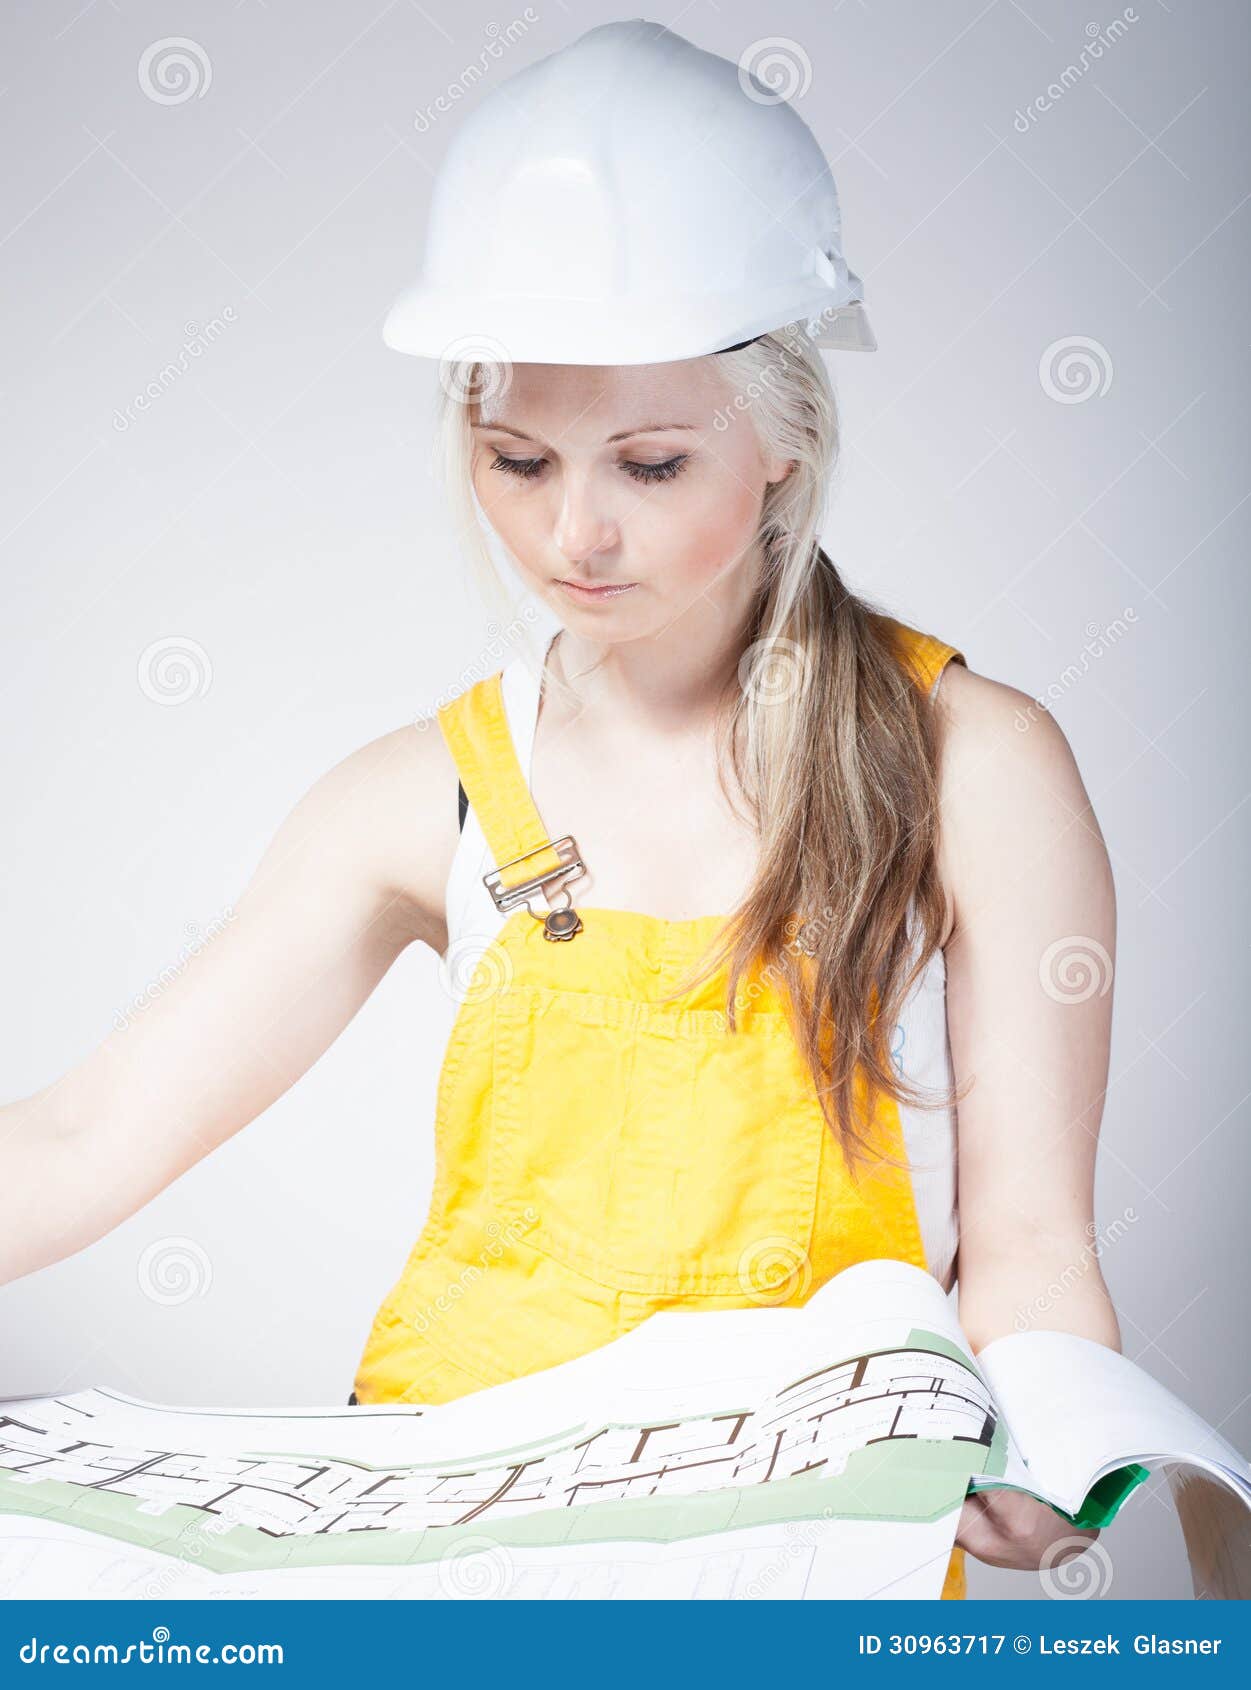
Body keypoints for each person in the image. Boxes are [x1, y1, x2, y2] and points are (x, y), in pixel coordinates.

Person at [0, 21, 1118, 1599]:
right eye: (517, 457)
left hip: (796, 1566)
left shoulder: (976, 768)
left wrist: (1060, 1441)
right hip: (449, 1570)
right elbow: (76, 1137)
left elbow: (1032, 1253)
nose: (572, 532)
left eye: (651, 464)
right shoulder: (421, 796)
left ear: (788, 437)